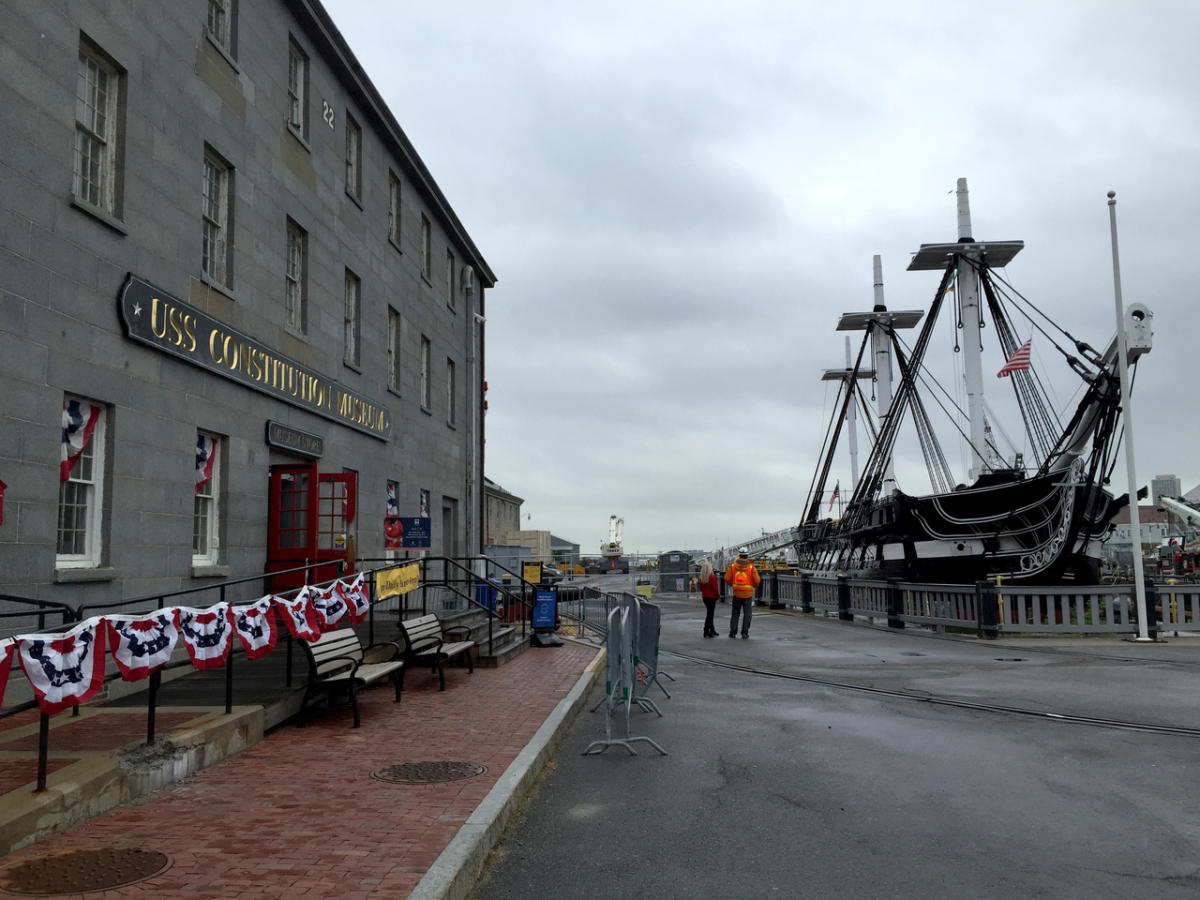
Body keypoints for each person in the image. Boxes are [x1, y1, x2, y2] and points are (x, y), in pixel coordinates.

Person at [724, 549, 761, 638]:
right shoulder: (751, 567)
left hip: (736, 593)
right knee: (747, 614)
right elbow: (757, 580)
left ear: (739, 555)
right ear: (747, 555)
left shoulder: (733, 566)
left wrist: (733, 584)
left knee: (735, 613)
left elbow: (727, 578)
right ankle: (744, 633)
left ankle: (733, 632)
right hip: (747, 594)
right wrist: (752, 586)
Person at [698, 560, 720, 637]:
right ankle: (706, 631)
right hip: (711, 597)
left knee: (710, 614)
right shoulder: (712, 577)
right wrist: (717, 596)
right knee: (710, 615)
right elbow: (715, 589)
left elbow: (701, 588)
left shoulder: (701, 578)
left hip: (705, 597)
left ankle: (712, 630)